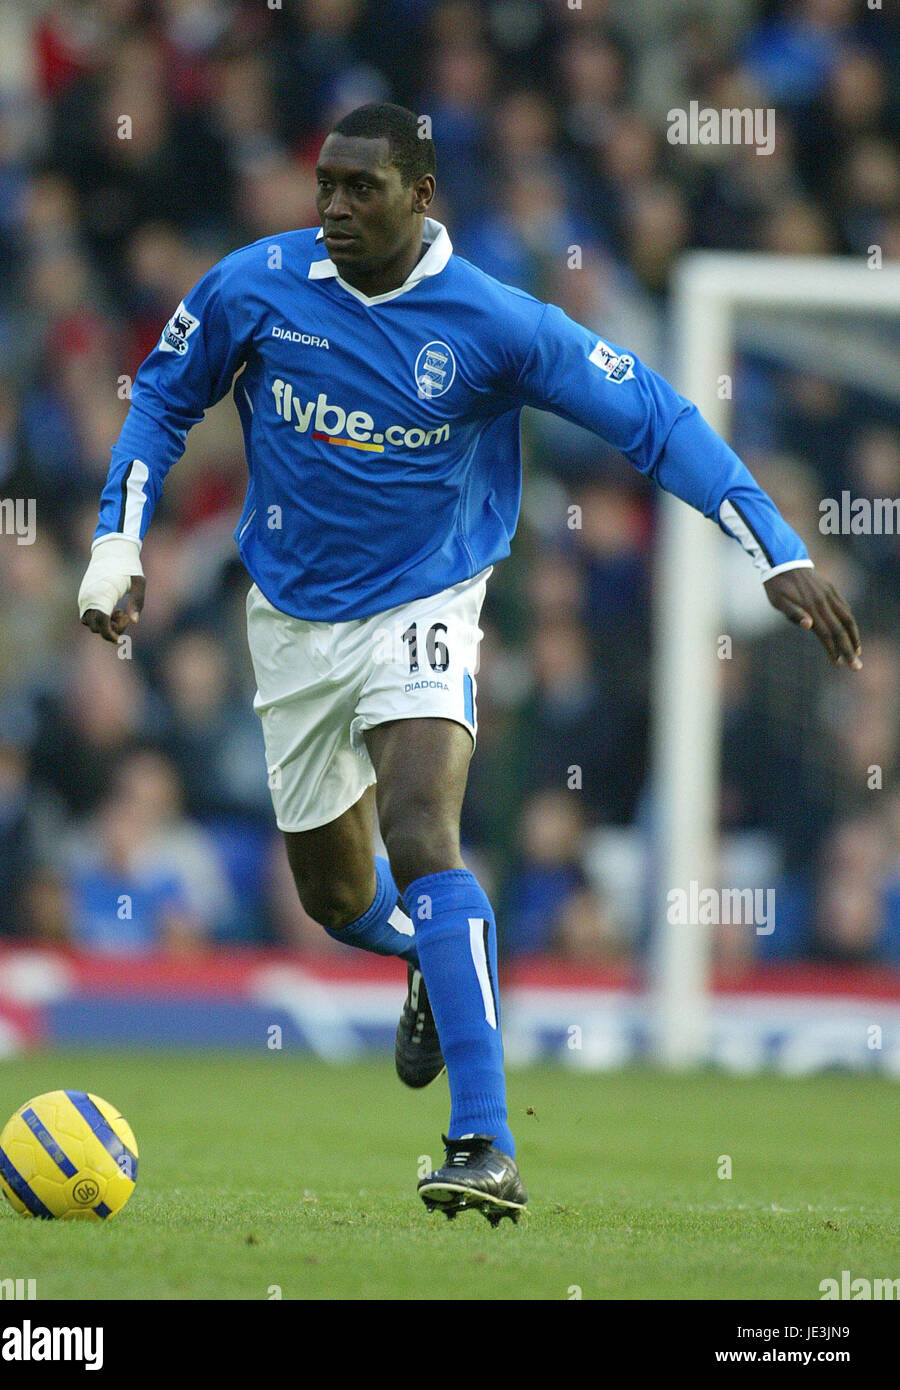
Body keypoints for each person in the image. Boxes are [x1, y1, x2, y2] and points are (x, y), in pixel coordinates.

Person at [78, 102, 862, 1225]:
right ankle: (427, 959)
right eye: (326, 188)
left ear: (423, 193)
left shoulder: (495, 323)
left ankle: (482, 1141)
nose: (337, 209)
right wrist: (119, 541)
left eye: (363, 189)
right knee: (340, 897)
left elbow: (653, 415)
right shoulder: (255, 284)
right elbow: (160, 396)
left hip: (429, 597)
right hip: (292, 618)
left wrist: (774, 548)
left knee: (419, 827)